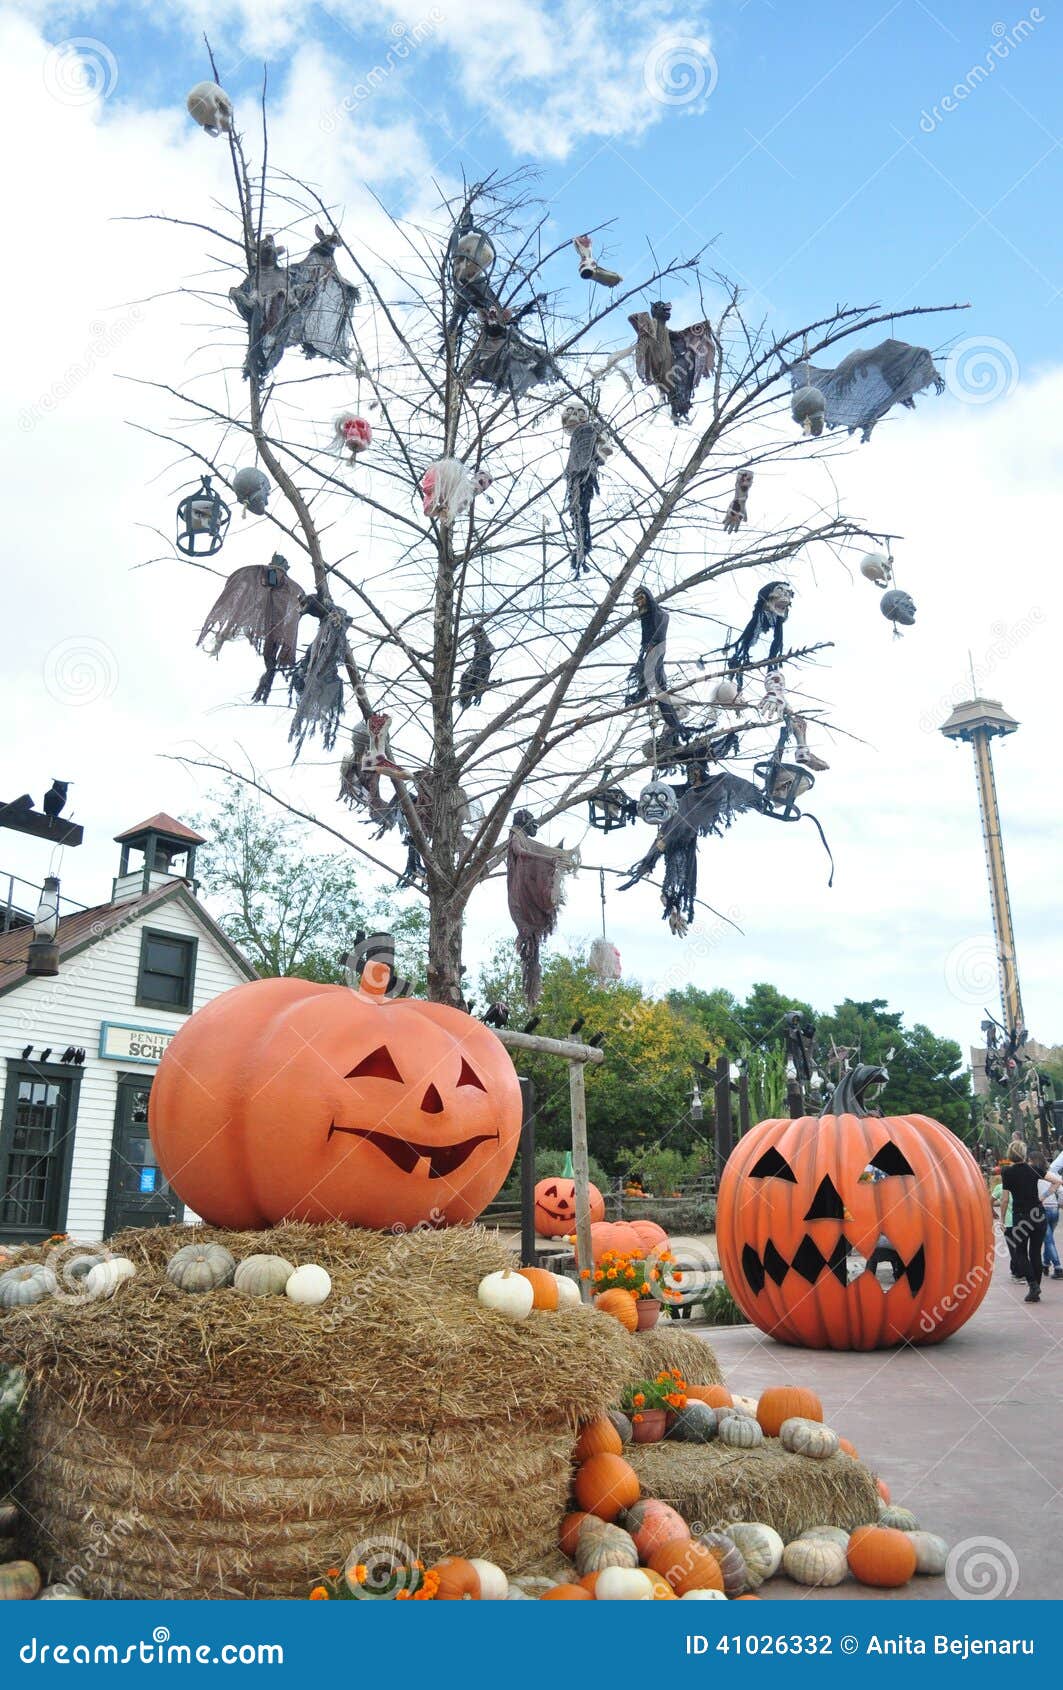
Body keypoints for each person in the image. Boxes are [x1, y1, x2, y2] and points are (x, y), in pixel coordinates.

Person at [1000, 1140, 1063, 1302]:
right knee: (1035, 1251)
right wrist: (1043, 1197)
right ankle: (1036, 1288)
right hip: (1038, 1214)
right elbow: (1057, 1181)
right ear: (1024, 1153)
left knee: (1020, 1252)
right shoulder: (1034, 1169)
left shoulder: (1007, 1172)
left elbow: (1005, 1199)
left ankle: (1033, 1285)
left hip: (1020, 1216)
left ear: (1010, 1154)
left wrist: (1001, 1219)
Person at [1033, 1153, 1063, 1279]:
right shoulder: (1052, 1173)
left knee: (1048, 1239)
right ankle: (1045, 1264)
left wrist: (1042, 1197)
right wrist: (1060, 1202)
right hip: (1054, 1209)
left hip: (1042, 1208)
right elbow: (1060, 1190)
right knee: (1048, 1238)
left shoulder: (1034, 1174)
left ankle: (1058, 1267)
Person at [991, 1169, 1024, 1280]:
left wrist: (993, 1212)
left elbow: (990, 1200)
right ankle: (1017, 1270)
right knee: (1021, 1247)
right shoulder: (1021, 1185)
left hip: (1009, 1223)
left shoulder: (1000, 1187)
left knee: (1012, 1248)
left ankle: (1017, 1273)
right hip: (1022, 1220)